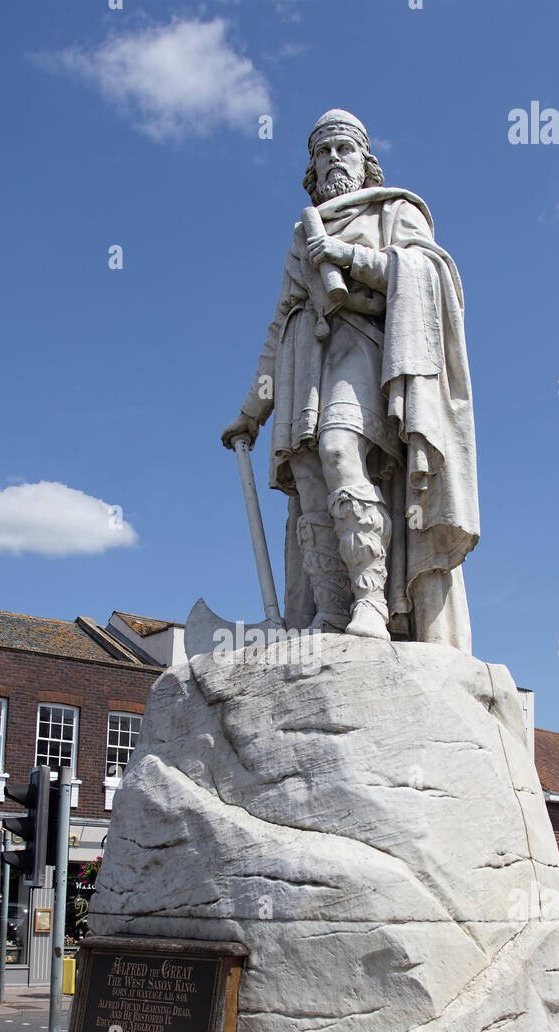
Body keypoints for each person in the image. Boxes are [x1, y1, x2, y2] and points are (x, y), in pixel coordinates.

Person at [222, 109, 479, 648]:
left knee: (342, 451)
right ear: (312, 168)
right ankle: (332, 612)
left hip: (362, 351)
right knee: (311, 479)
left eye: (345, 149)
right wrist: (251, 411)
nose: (335, 159)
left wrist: (346, 255)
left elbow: (425, 277)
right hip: (301, 364)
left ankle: (372, 603)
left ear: (367, 161)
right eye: (324, 152)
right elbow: (279, 323)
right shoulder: (300, 234)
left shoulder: (392, 210)